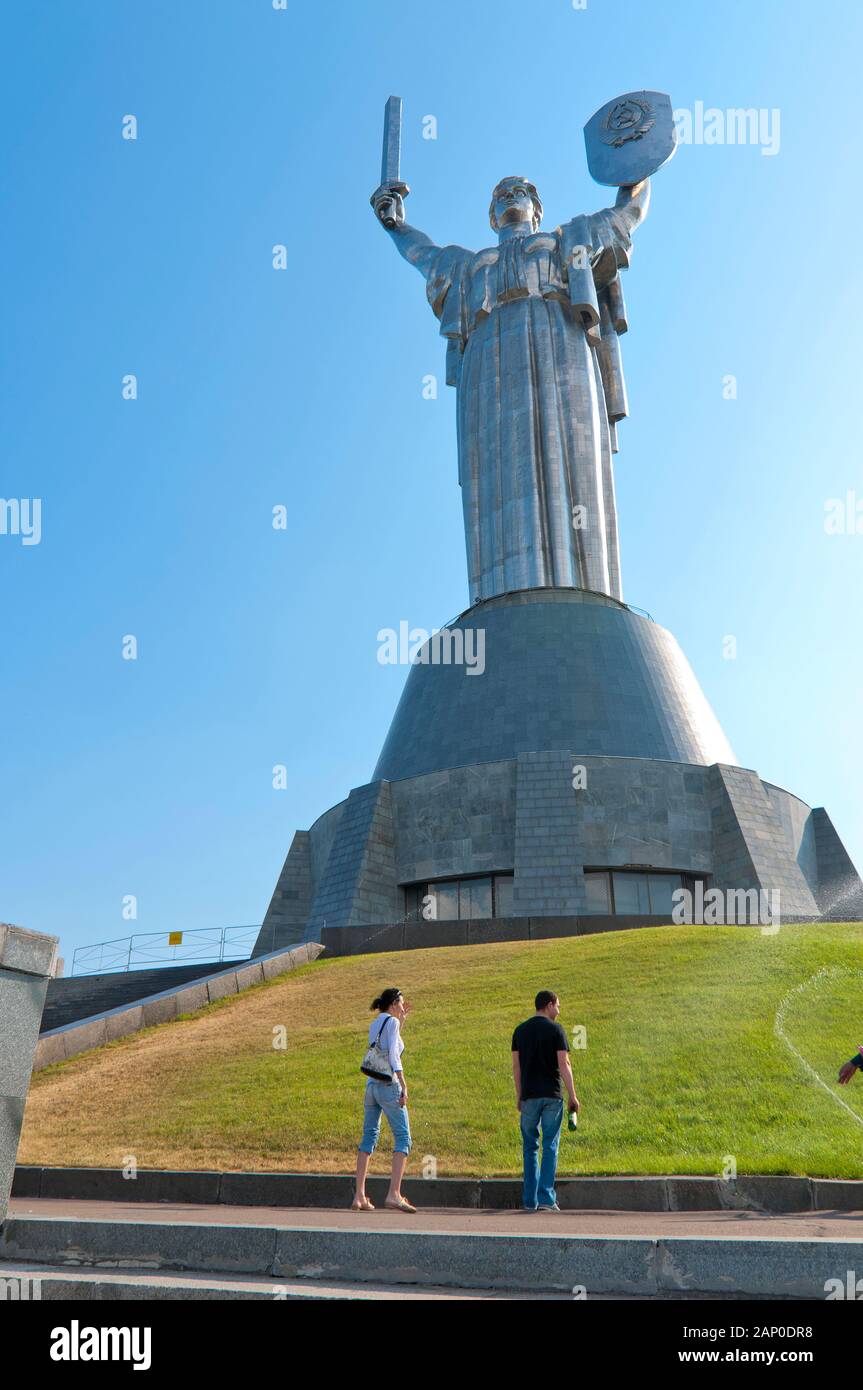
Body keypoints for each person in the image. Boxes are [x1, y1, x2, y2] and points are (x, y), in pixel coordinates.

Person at [511, 990, 579, 1212]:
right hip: (552, 1095)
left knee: (530, 1146)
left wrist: (519, 1095)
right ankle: (547, 1199)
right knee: (550, 1145)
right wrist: (573, 1095)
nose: (558, 1010)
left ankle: (530, 1201)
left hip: (529, 1096)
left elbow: (516, 1067)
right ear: (549, 1005)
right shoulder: (556, 1030)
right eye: (557, 1006)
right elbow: (564, 1064)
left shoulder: (520, 1031)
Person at [353, 987, 416, 1213]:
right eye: (401, 1003)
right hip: (389, 1085)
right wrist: (403, 1083)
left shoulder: (377, 1023)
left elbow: (389, 1045)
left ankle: (359, 1195)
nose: (402, 1007)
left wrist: (402, 1022)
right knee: (403, 1138)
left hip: (371, 1086)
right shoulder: (392, 1023)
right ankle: (394, 1194)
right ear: (393, 1003)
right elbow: (393, 1055)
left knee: (369, 1136)